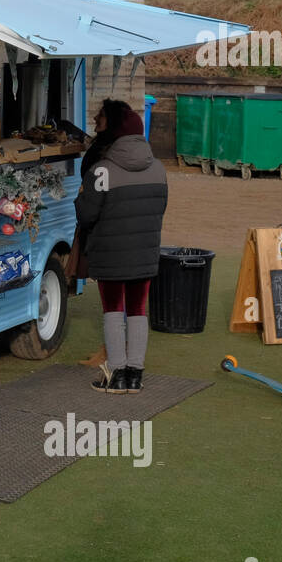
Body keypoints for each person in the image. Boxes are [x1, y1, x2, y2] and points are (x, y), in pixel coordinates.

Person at [74, 99, 168, 395]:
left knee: (113, 310)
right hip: (145, 251)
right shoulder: (160, 169)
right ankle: (135, 374)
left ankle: (115, 373)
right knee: (138, 310)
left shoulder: (102, 171)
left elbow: (87, 214)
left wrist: (80, 197)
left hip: (110, 253)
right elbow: (161, 207)